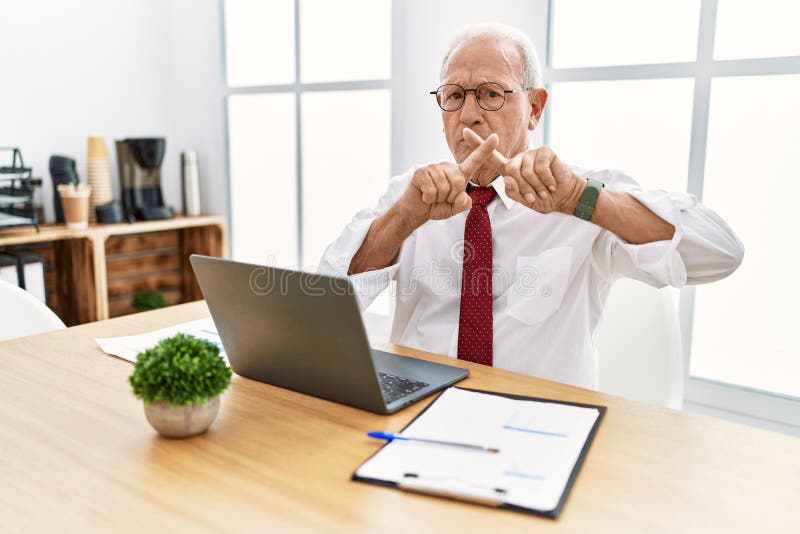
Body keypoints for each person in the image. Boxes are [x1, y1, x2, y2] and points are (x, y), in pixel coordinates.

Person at [319, 23, 744, 388]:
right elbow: (323, 305)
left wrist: (581, 200)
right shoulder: (411, 195)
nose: (468, 115)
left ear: (534, 108)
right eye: (454, 96)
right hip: (418, 413)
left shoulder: (581, 195)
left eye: (490, 94)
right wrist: (403, 219)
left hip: (538, 425)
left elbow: (722, 254)